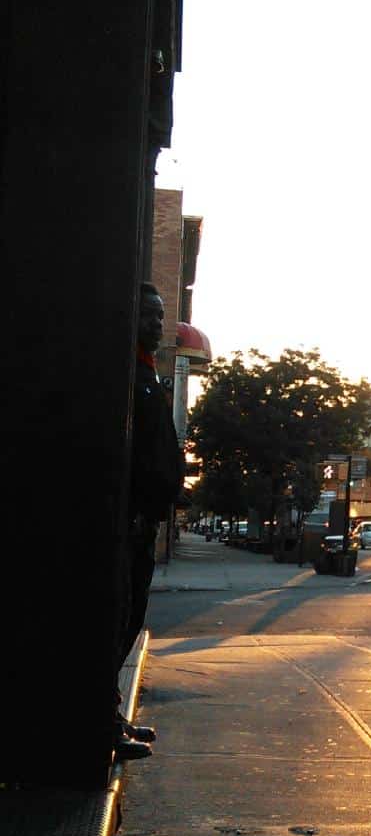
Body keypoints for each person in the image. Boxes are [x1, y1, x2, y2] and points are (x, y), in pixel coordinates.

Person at [114, 281, 185, 760]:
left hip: (144, 521)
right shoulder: (126, 373)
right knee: (118, 619)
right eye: (148, 314)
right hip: (132, 521)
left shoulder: (147, 373)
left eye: (161, 316)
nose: (157, 323)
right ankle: (102, 722)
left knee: (130, 618)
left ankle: (111, 715)